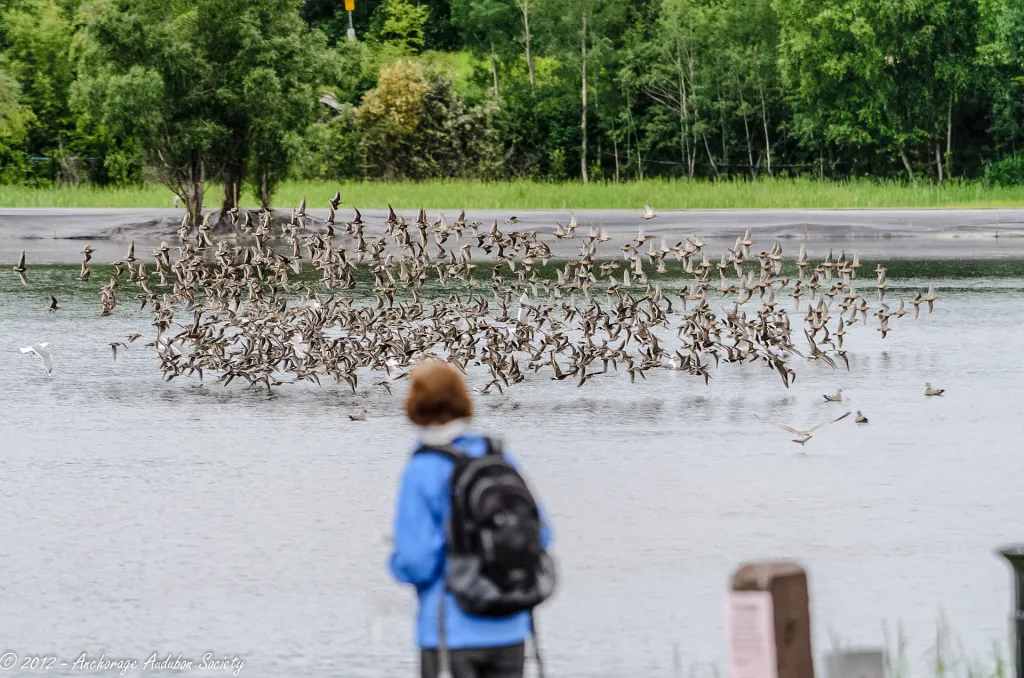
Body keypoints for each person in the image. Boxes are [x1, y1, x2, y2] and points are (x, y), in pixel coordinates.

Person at [389, 361, 554, 678]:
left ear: (414, 404)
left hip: (450, 629)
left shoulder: (423, 468)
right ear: (464, 399)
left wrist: (395, 563)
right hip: (511, 627)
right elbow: (542, 534)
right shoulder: (495, 455)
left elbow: (417, 561)